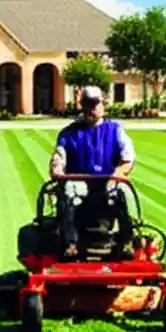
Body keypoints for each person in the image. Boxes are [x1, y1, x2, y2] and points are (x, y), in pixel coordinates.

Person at [48, 85, 136, 257]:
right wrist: (56, 168)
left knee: (121, 192)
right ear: (82, 105)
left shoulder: (116, 130)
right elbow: (59, 156)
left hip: (107, 180)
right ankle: (71, 244)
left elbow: (127, 158)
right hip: (79, 181)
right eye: (88, 104)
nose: (92, 108)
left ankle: (126, 241)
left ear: (103, 105)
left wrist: (116, 175)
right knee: (70, 190)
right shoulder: (68, 133)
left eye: (95, 103)